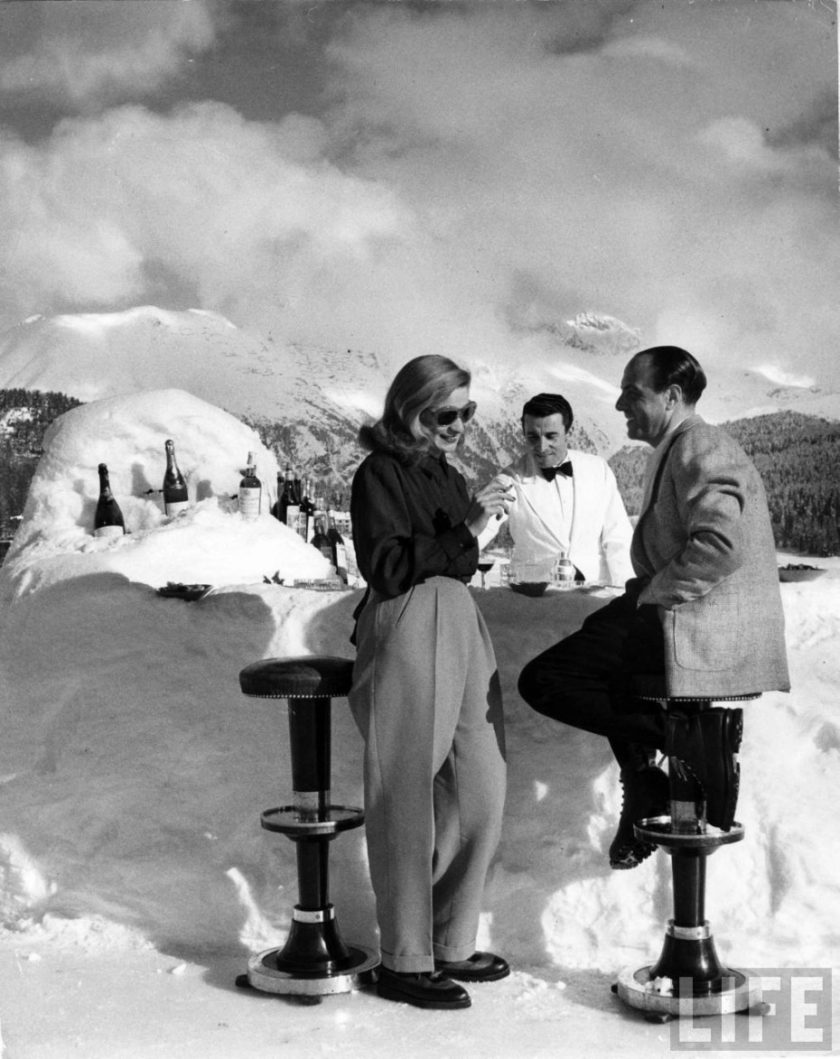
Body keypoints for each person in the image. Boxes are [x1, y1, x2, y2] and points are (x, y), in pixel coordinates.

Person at [518, 346, 790, 869]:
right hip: (679, 614)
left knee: (546, 680)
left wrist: (652, 593)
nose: (619, 404)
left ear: (671, 396)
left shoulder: (700, 445)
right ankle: (645, 779)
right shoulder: (679, 447)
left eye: (632, 392)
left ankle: (688, 739)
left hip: (696, 625)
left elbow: (720, 545)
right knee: (602, 637)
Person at [348, 354, 511, 1010]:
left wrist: (476, 526)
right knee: (406, 788)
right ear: (410, 409)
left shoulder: (448, 475)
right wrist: (468, 529)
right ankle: (404, 958)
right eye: (446, 413)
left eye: (467, 412)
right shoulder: (380, 472)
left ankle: (448, 939)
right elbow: (386, 565)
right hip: (409, 619)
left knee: (480, 785)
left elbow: (459, 563)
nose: (459, 425)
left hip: (459, 617)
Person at [478, 393, 634, 586]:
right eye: (533, 437)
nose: (542, 447)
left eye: (551, 436)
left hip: (594, 589)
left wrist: (626, 590)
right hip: (533, 594)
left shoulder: (598, 469)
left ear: (568, 431)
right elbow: (480, 530)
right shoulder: (510, 479)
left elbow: (618, 537)